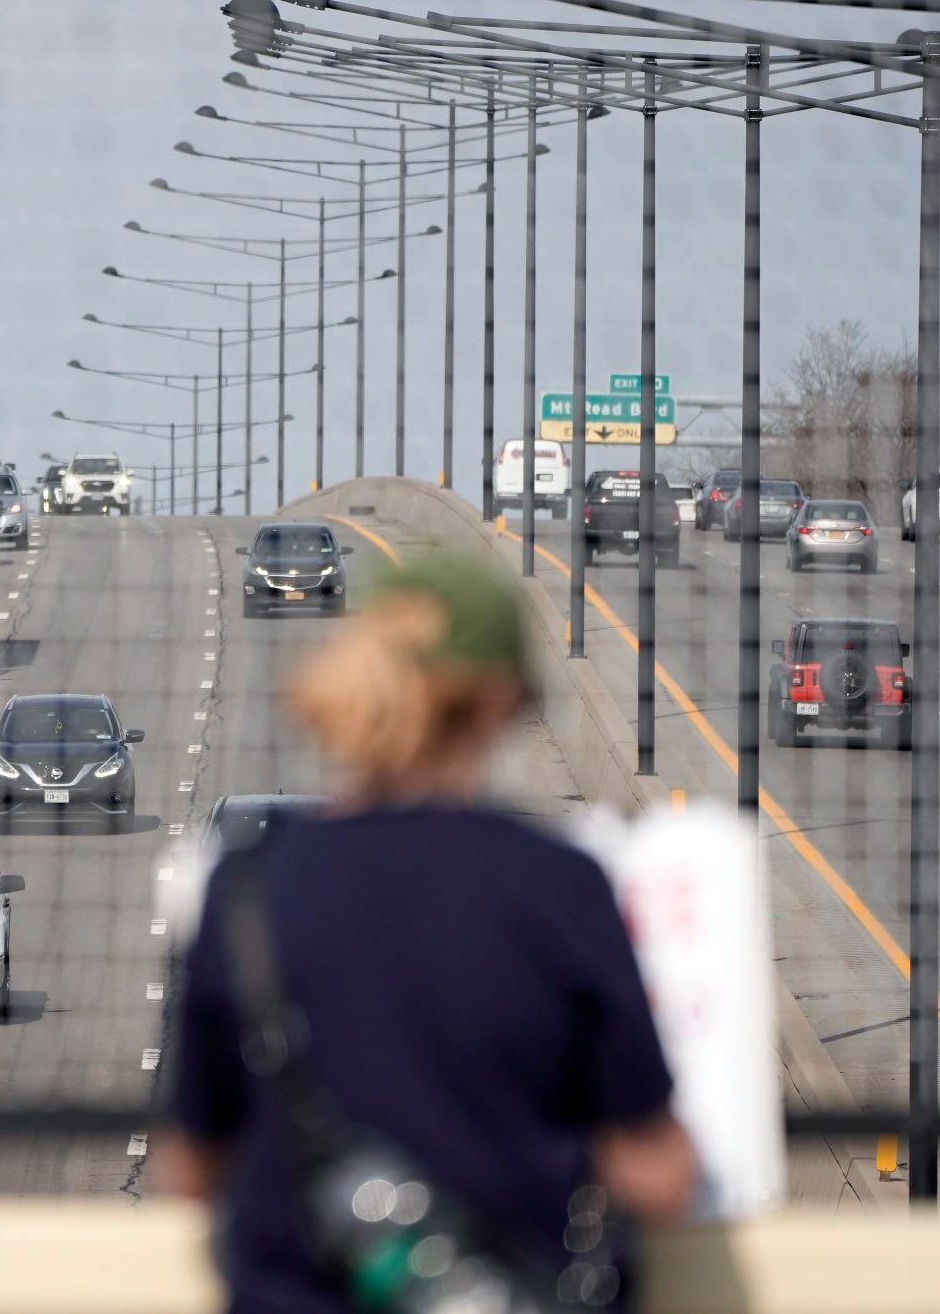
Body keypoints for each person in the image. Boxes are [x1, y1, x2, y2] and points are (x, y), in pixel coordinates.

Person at [165, 550, 695, 1314]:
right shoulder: (558, 888)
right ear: (495, 703)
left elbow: (191, 1168)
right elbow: (659, 1176)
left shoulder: (246, 890)